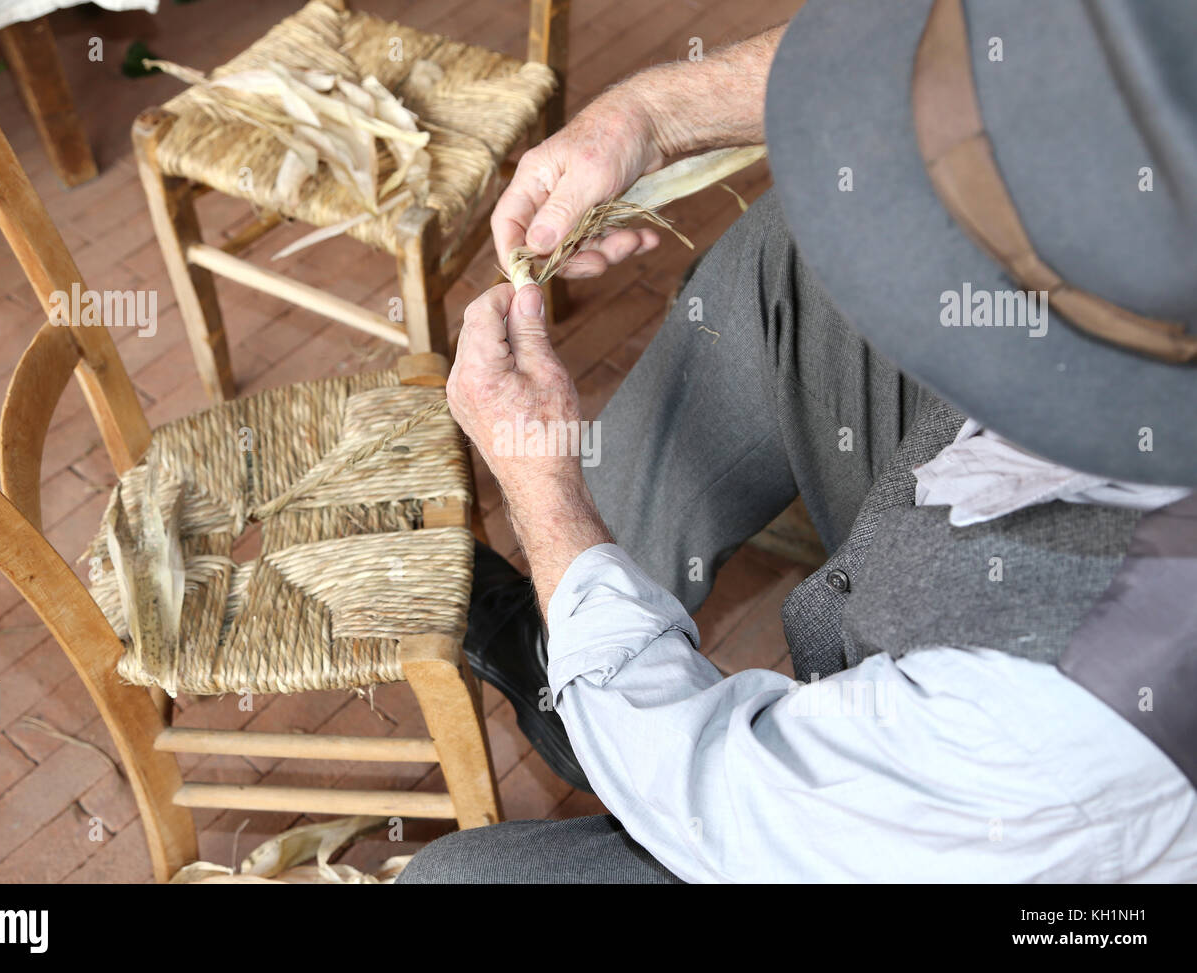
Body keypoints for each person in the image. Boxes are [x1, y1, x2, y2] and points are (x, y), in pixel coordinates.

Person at [398, 0, 1197, 883]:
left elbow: (720, 795)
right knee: (804, 249)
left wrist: (543, 490)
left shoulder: (1081, 710)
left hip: (981, 835)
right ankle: (575, 670)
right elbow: (959, 41)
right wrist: (657, 114)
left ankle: (609, 683)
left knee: (462, 881)